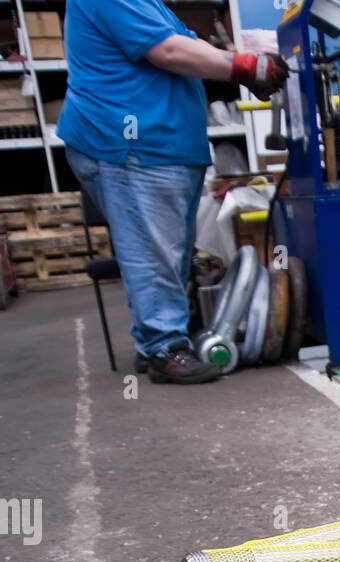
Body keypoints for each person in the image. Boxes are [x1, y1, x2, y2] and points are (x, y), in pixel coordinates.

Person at [58, 0, 286, 384]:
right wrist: (246, 66)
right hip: (131, 144)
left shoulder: (151, 5)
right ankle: (164, 346)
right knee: (152, 250)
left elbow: (184, 49)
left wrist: (239, 70)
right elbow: (169, 51)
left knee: (165, 250)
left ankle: (158, 340)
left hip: (158, 146)